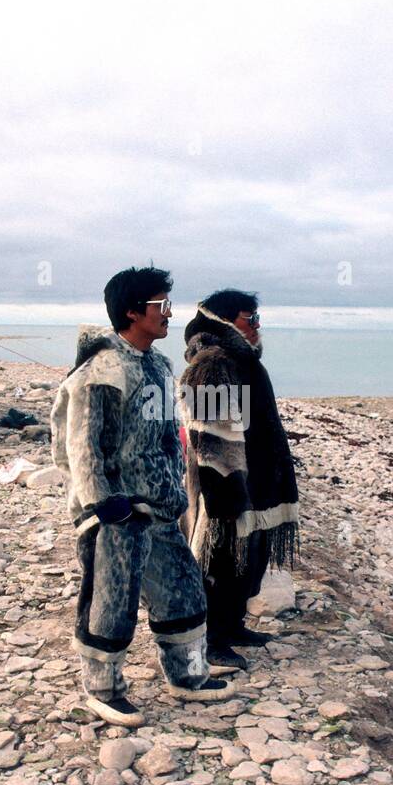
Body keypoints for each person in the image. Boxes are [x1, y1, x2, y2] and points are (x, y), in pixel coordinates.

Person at [51, 266, 236, 727]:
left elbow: (166, 434)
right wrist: (103, 502)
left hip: (162, 506)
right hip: (119, 512)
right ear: (133, 312)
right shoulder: (104, 369)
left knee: (182, 593)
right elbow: (84, 442)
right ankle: (103, 689)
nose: (168, 314)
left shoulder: (157, 364)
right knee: (111, 602)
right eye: (161, 306)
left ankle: (188, 675)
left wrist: (176, 488)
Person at [179, 289, 299, 672]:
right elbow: (208, 440)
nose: (257, 326)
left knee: (250, 558)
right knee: (222, 560)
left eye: (258, 318)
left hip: (255, 480)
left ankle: (233, 626)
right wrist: (224, 494)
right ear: (226, 320)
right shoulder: (212, 364)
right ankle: (211, 639)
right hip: (227, 485)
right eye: (251, 318)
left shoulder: (243, 361)